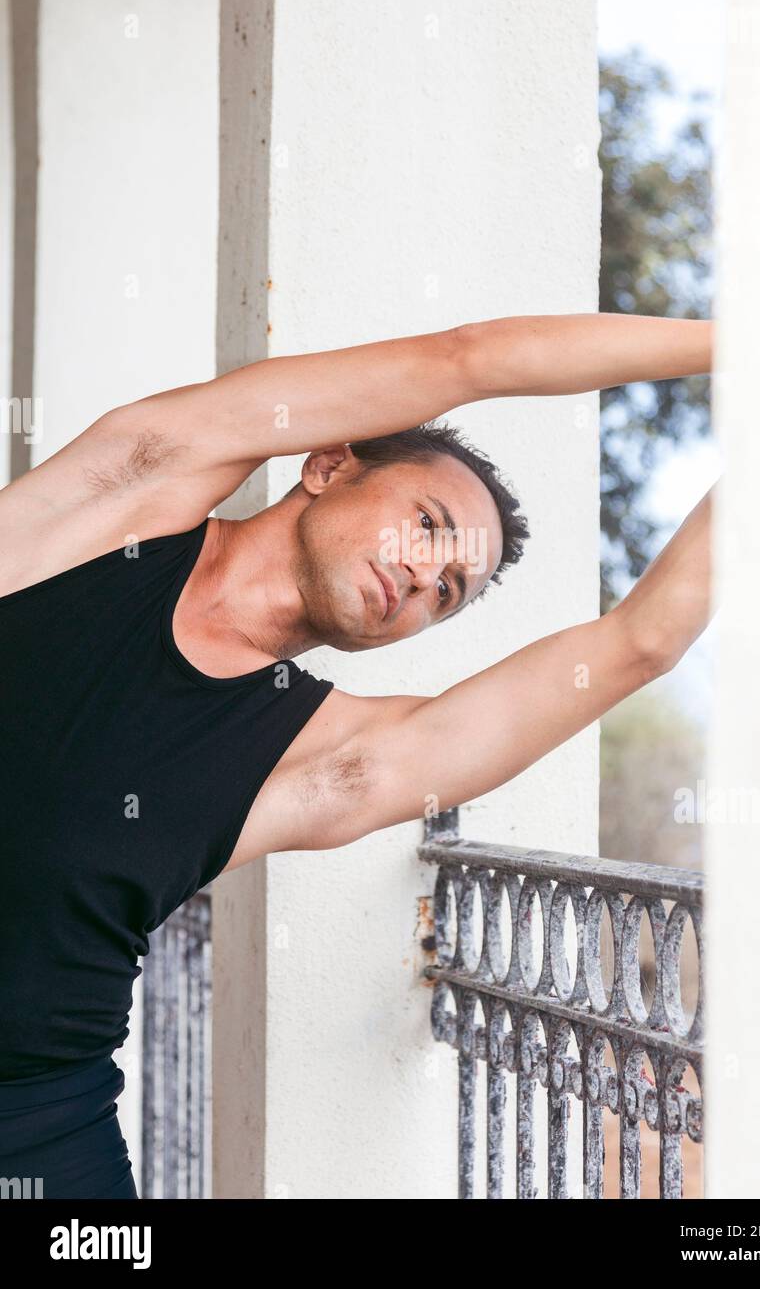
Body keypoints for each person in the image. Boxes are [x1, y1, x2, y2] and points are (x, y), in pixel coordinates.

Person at [0, 311, 714, 1198]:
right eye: (427, 526)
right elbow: (465, 361)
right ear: (328, 463)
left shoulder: (325, 761)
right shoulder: (123, 492)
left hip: (34, 1120)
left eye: (448, 592)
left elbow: (639, 641)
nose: (424, 578)